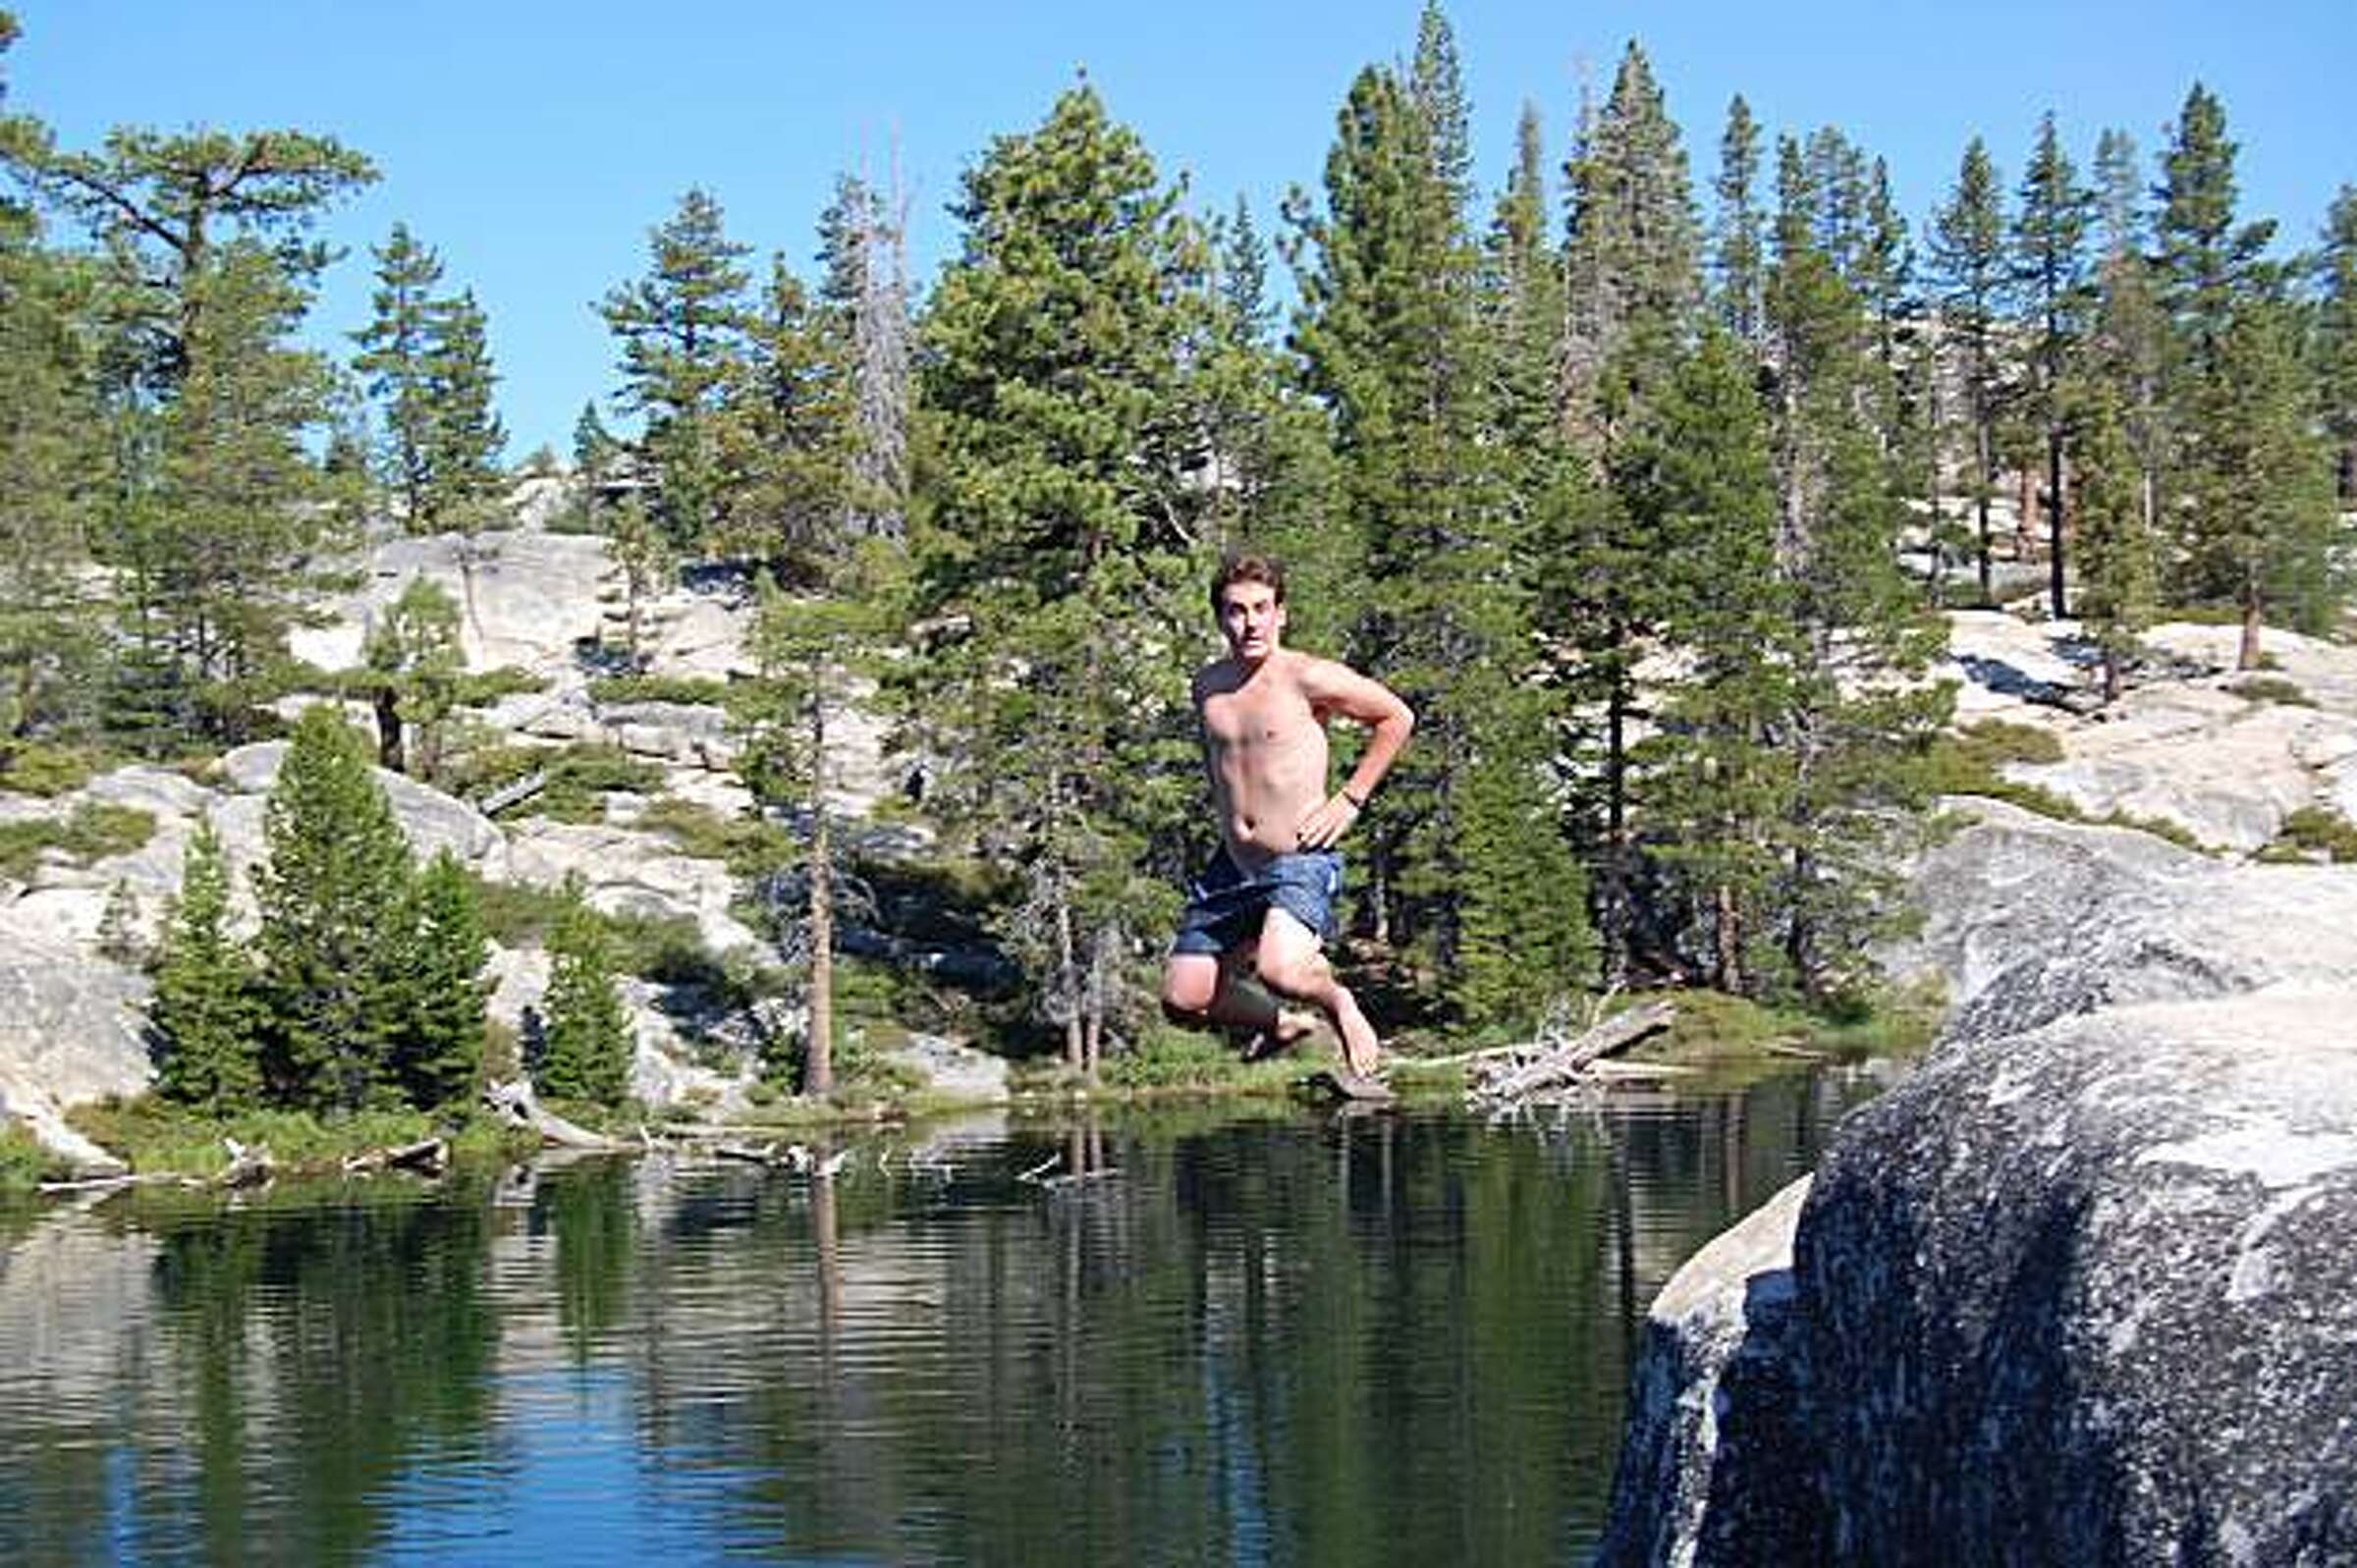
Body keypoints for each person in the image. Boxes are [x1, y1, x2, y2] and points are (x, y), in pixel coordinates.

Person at [1160, 552, 1413, 1080]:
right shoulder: (1208, 686)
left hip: (1299, 856)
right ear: (1219, 618)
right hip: (1233, 865)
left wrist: (1350, 798)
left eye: (1260, 608)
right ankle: (1280, 1025)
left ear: (1281, 614)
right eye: (1235, 611)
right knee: (1182, 1000)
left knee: (1279, 969)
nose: (1249, 622)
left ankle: (1339, 1003)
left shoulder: (1307, 677)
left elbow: (1396, 717)